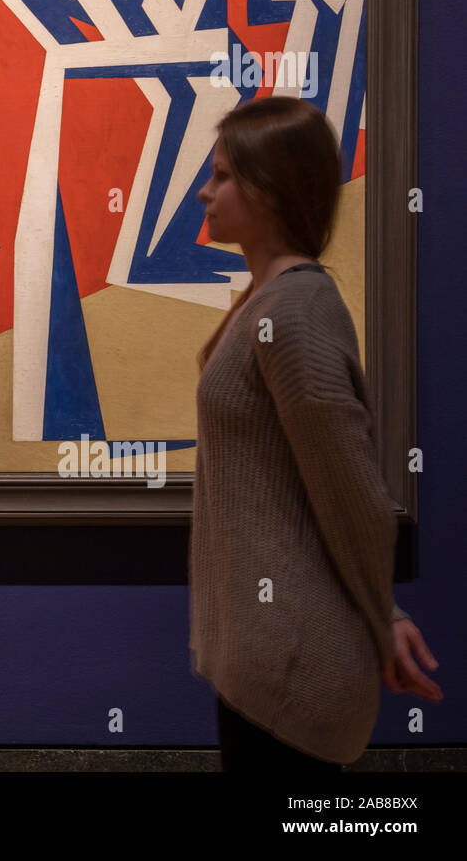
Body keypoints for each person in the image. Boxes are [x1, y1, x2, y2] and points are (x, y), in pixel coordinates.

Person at [190, 96, 441, 773]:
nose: (206, 193)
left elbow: (351, 487)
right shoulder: (266, 302)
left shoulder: (294, 312)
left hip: (293, 666)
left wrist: (382, 612)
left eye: (222, 175)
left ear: (270, 191)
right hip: (262, 657)